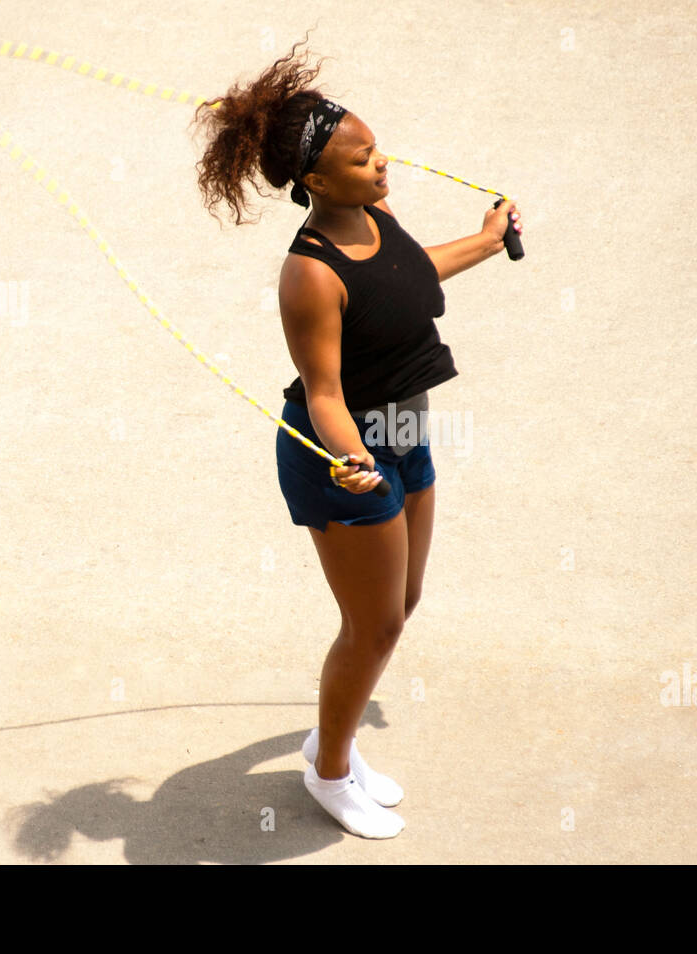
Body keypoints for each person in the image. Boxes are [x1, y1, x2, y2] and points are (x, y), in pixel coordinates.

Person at [191, 35, 523, 839]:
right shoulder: (308, 271)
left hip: (405, 432)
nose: (381, 165)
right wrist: (350, 458)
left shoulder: (377, 214)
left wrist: (485, 238)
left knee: (401, 603)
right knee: (371, 624)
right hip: (342, 455)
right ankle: (330, 770)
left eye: (377, 150)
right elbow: (324, 391)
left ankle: (324, 739)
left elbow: (410, 275)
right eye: (363, 158)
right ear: (313, 180)